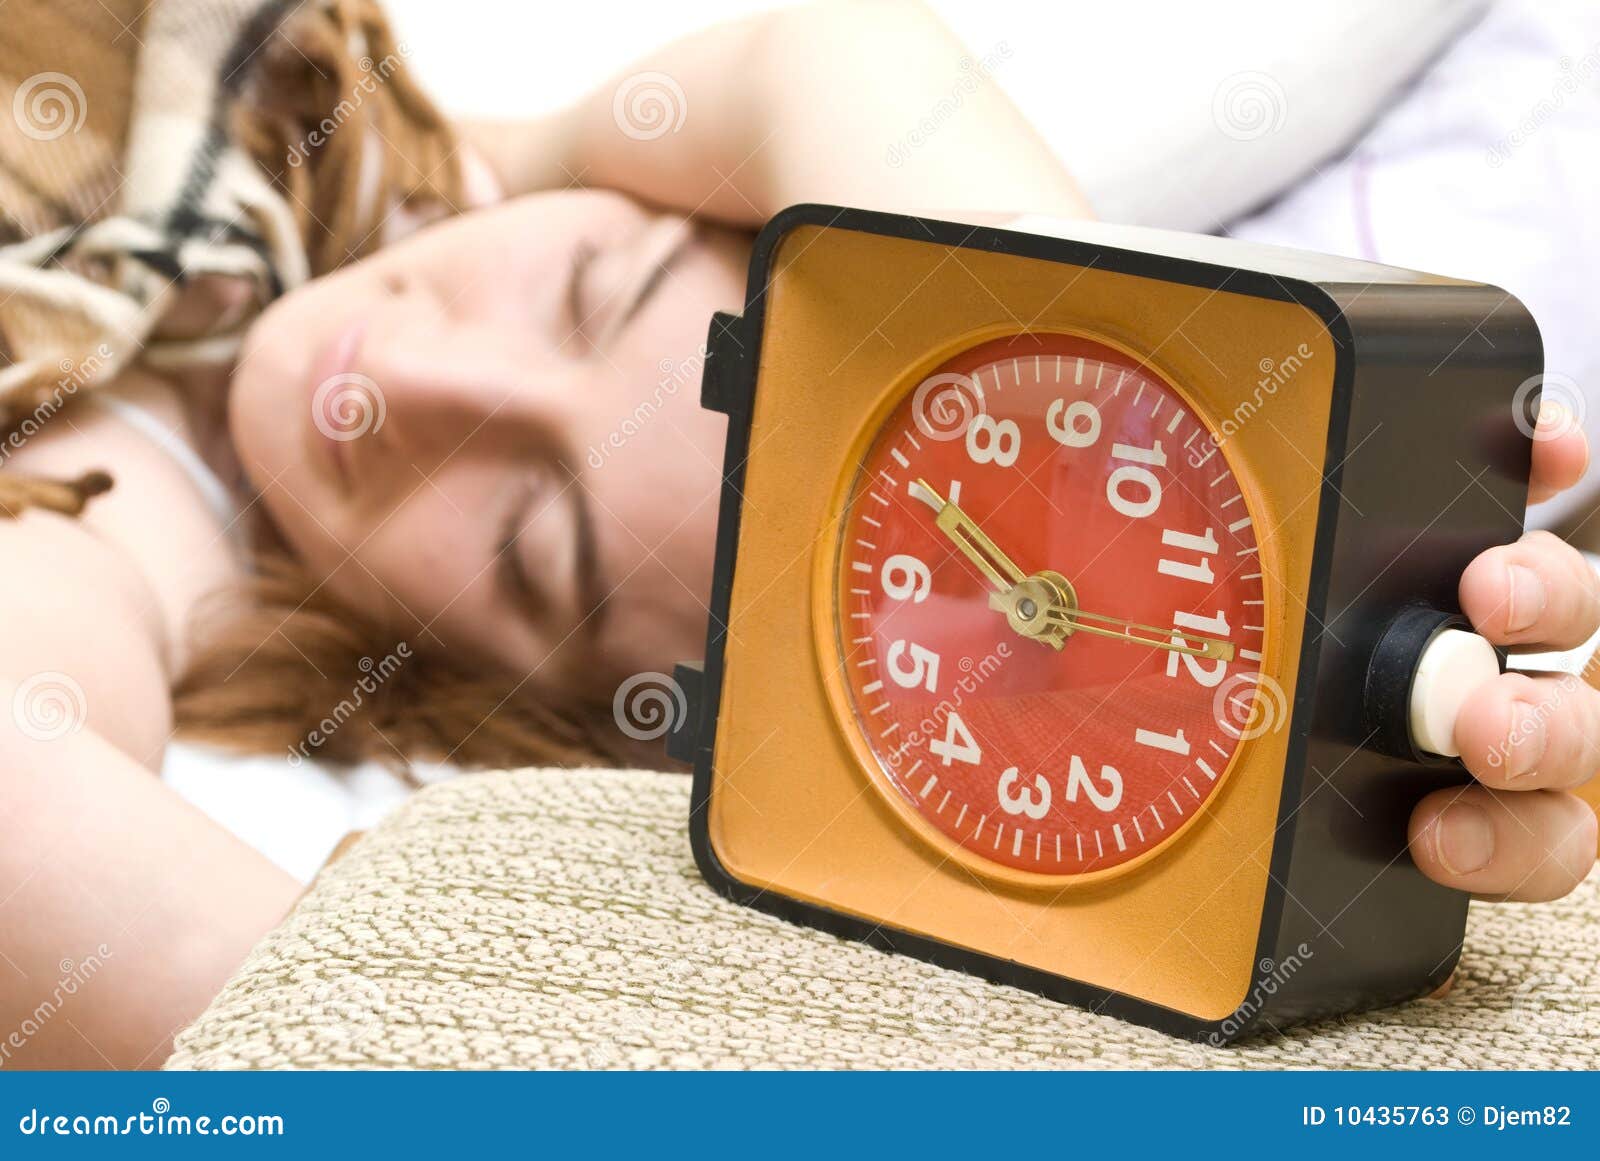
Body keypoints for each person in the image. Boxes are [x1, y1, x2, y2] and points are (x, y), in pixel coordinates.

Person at [0, 0, 1592, 1069]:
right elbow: (820, 55)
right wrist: (1146, 418)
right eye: (582, 293)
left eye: (523, 548)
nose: (407, 388)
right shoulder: (431, 156)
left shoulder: (124, 525)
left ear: (499, 687)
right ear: (664, 194)